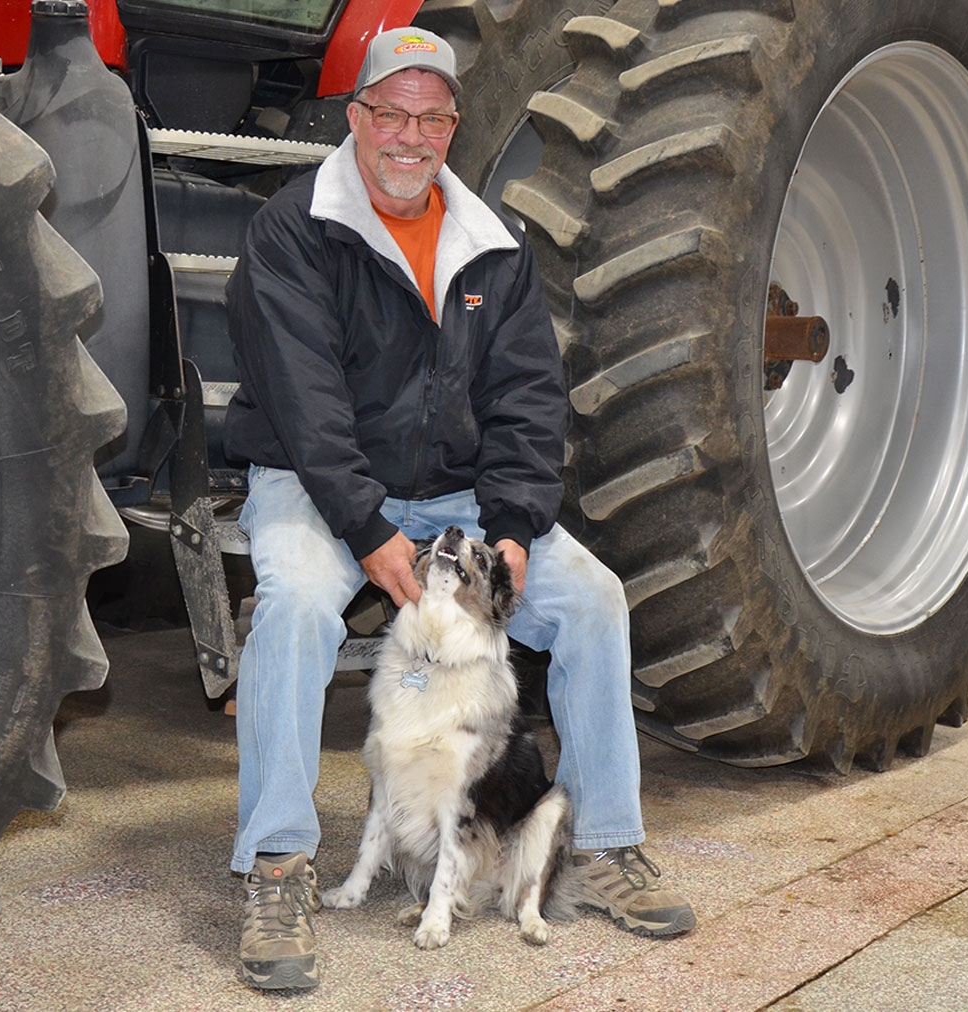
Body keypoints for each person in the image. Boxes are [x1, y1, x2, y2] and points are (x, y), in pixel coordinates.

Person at [222, 26, 696, 990]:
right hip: (318, 485)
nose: (410, 136)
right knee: (300, 603)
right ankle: (277, 863)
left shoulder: (495, 246)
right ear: (355, 118)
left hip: (455, 498)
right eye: (390, 113)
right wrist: (366, 530)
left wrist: (515, 527)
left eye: (432, 117)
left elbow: (528, 398)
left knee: (593, 600)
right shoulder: (292, 232)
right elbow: (306, 408)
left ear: (453, 126)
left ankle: (603, 844)